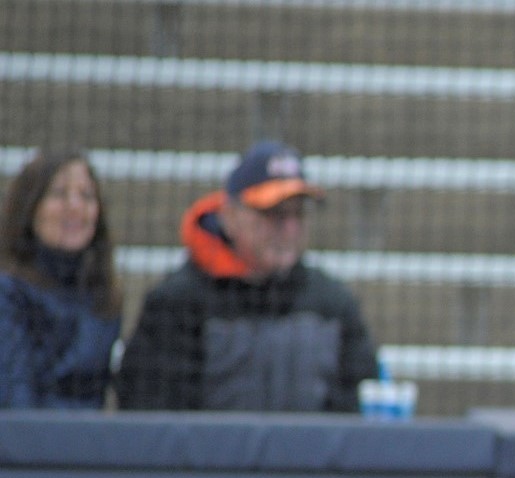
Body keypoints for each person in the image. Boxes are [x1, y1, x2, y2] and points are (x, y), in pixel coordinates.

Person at [117, 140, 378, 411]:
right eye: (274, 214)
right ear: (230, 216)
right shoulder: (177, 303)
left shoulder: (333, 305)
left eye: (298, 214)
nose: (289, 229)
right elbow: (151, 414)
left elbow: (360, 410)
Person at [0, 148, 122, 409]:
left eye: (86, 195)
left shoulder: (103, 297)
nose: (75, 207)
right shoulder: (7, 294)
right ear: (30, 207)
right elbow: (13, 397)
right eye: (59, 194)